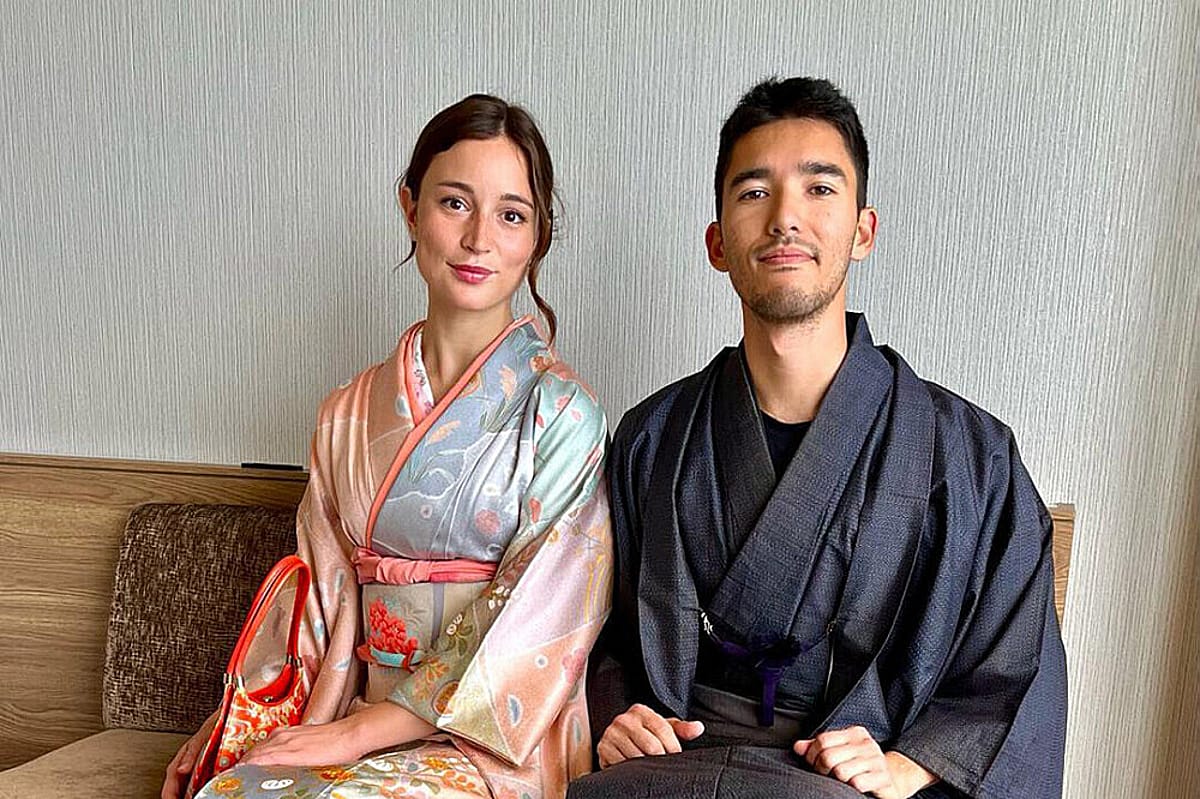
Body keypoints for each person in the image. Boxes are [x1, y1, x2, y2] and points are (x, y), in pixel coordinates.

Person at [570, 77, 1066, 799]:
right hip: (672, 767)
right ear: (717, 242)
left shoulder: (969, 457)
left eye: (819, 190)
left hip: (845, 775)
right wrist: (615, 713)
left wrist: (911, 763)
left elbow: (1012, 665)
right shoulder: (654, 438)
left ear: (863, 230)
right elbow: (594, 630)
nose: (785, 219)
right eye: (754, 193)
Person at [162, 94, 613, 799]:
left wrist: (358, 734)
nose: (479, 239)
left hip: (494, 743)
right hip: (355, 704)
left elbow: (543, 617)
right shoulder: (347, 414)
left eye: (511, 214)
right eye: (455, 203)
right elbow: (317, 596)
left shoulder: (562, 415)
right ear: (411, 208)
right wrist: (236, 719)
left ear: (536, 237)